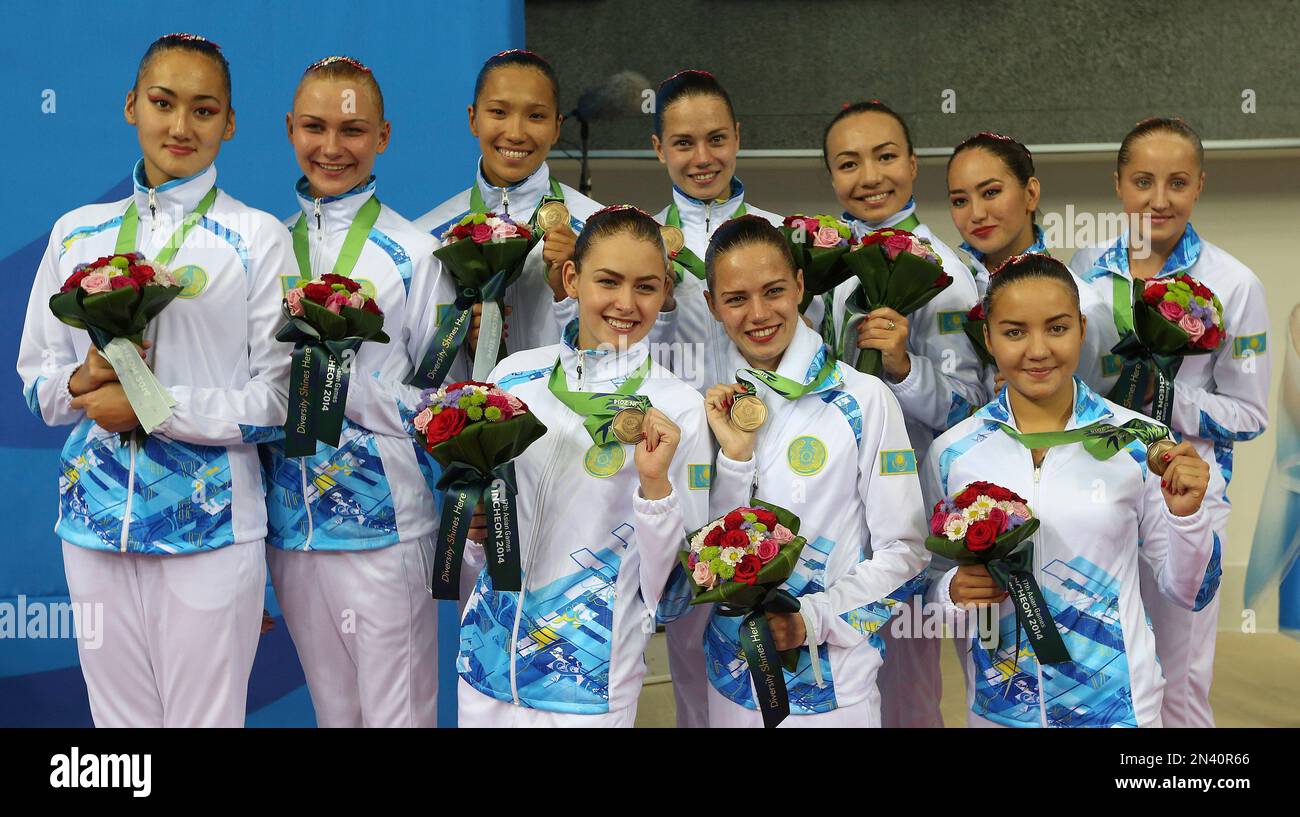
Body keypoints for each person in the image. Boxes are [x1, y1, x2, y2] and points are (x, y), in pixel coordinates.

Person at [16, 33, 292, 727]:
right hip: (93, 523)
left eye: (204, 110)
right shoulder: (77, 233)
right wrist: (85, 375)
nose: (180, 126)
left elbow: (278, 401)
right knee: (120, 737)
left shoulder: (259, 238)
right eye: (163, 104)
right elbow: (38, 387)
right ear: (131, 106)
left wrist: (150, 406)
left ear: (229, 123)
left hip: (211, 524)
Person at [924, 253, 1215, 727]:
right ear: (988, 338)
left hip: (1118, 708)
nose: (1037, 351)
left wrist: (1187, 517)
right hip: (1002, 711)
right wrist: (951, 592)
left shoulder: (1138, 440)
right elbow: (926, 584)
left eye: (1057, 328)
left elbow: (1189, 591)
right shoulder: (953, 453)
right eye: (1015, 332)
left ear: (1081, 329)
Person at [456, 206, 711, 727]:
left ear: (665, 292)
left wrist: (656, 486)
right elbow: (487, 533)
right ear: (572, 278)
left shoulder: (677, 408)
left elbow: (674, 585)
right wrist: (477, 533)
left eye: (645, 286)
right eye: (608, 281)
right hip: (487, 660)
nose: (625, 303)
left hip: (586, 678)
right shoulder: (514, 377)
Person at [262, 55, 449, 727]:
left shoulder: (415, 253)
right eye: (315, 127)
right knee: (334, 715)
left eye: (353, 129)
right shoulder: (268, 250)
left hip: (385, 529)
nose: (333, 147)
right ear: (289, 129)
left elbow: (442, 405)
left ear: (384, 136)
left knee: (398, 717)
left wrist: (342, 382)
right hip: (292, 530)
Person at [1068, 117, 1270, 727]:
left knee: (1178, 682)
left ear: (1200, 185)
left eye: (1177, 182)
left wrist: (1163, 396)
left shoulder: (1234, 284)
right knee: (1107, 671)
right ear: (1119, 184)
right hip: (1096, 489)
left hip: (1184, 493)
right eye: (1143, 181)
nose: (1159, 199)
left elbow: (1251, 415)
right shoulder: (1085, 266)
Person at [700, 215, 929, 727]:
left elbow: (907, 555)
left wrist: (811, 619)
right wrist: (736, 459)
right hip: (730, 678)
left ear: (801, 286)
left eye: (774, 290)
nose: (758, 314)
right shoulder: (703, 402)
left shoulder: (863, 399)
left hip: (834, 690)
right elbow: (701, 552)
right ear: (713, 305)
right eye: (736, 299)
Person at [823, 100, 983, 727]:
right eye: (849, 162)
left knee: (910, 694)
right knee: (835, 677)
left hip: (908, 508)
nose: (870, 176)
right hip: (827, 510)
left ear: (914, 164)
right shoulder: (818, 270)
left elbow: (973, 408)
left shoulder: (950, 277)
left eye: (886, 156)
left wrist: (905, 370)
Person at [646, 68, 784, 727]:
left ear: (739, 138)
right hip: (686, 467)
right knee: (692, 644)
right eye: (683, 143)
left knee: (776, 629)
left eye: (716, 139)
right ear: (657, 149)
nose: (702, 158)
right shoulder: (638, 243)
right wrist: (663, 306)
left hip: (779, 457)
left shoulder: (782, 238)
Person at [414, 49, 612, 364]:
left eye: (536, 116)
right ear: (473, 119)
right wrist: (461, 339)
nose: (516, 133)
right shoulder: (427, 237)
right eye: (498, 112)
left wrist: (576, 287)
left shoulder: (600, 232)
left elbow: (625, 351)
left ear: (557, 126)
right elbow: (411, 362)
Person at [947, 131, 1051, 404]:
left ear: (1031, 193)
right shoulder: (948, 291)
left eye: (991, 192)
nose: (977, 214)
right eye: (960, 200)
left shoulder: (1080, 300)